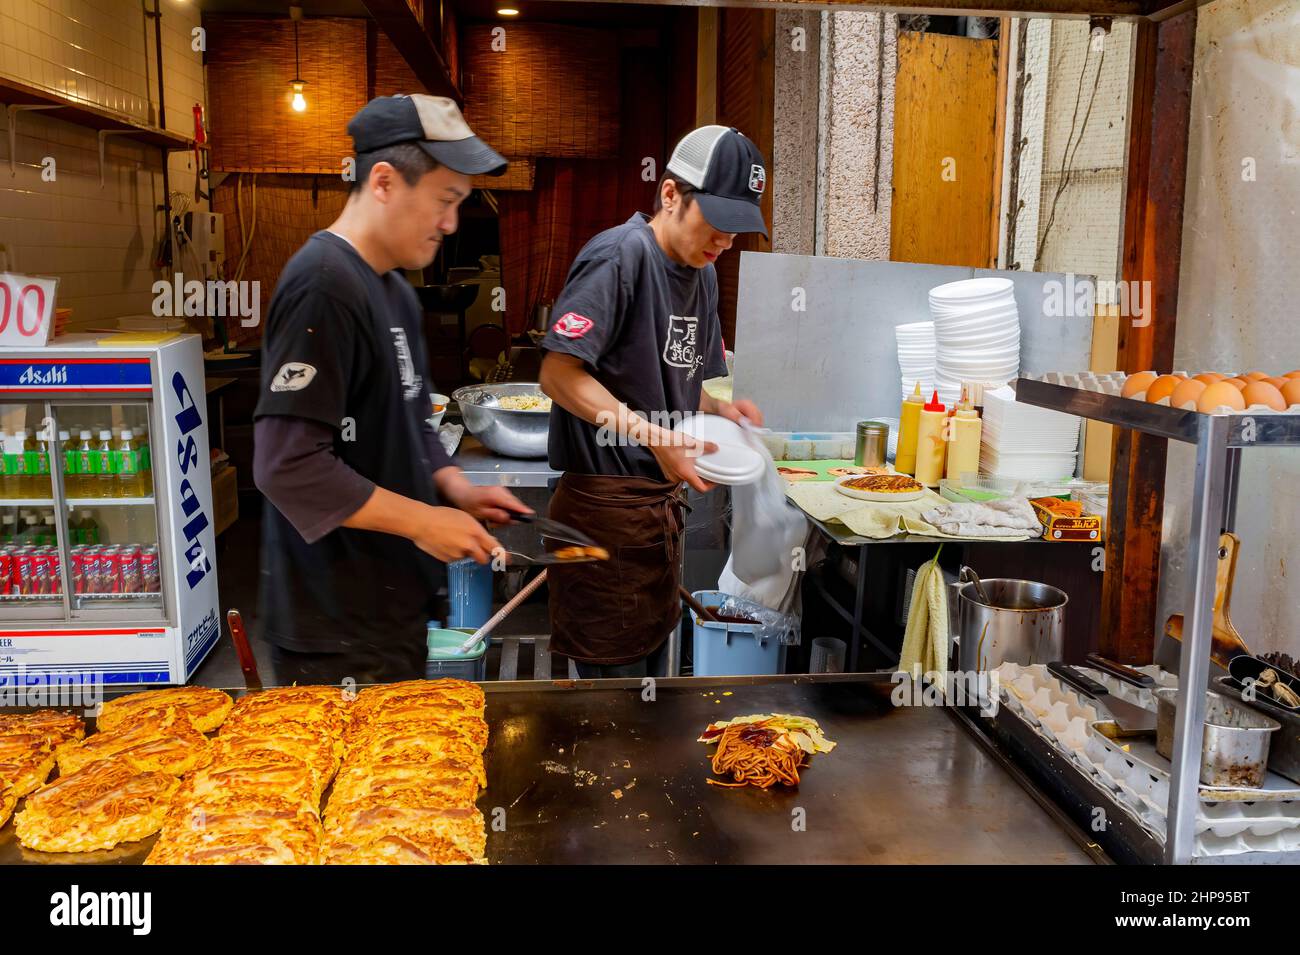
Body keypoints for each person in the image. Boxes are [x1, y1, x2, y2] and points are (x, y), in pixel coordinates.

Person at [253, 94, 531, 686]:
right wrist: (423, 523)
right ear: (383, 181)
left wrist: (455, 488)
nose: (451, 223)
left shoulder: (395, 289)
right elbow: (287, 466)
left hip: (391, 613)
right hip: (333, 629)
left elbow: (412, 418)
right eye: (444, 200)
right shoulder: (323, 286)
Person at [539, 125, 768, 678]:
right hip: (602, 514)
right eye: (715, 223)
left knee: (646, 688)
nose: (724, 242)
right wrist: (652, 435)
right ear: (670, 194)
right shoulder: (621, 257)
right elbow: (556, 374)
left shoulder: (705, 275)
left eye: (736, 230)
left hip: (656, 516)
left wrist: (722, 410)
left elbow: (681, 379)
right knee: (607, 707)